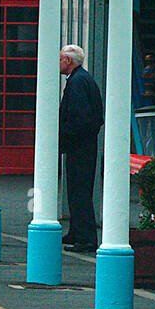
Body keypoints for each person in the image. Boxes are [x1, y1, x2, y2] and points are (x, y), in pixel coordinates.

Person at [59, 44, 103, 251]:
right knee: (78, 190)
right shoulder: (83, 79)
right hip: (84, 144)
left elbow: (80, 116)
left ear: (68, 61)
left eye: (61, 58)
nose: (59, 63)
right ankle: (76, 232)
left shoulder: (77, 82)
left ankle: (85, 238)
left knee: (80, 192)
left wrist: (65, 137)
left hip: (80, 146)